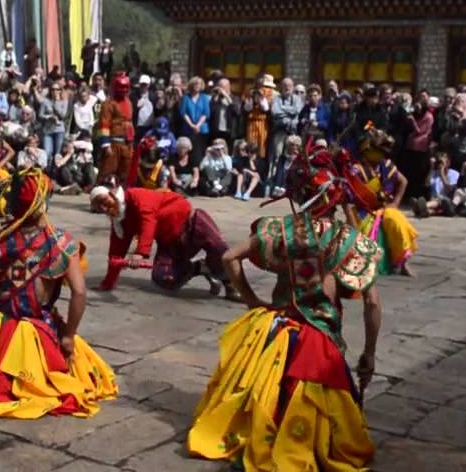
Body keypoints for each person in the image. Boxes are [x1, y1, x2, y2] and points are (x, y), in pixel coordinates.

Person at [188, 146, 380, 470]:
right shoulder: (351, 242)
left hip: (275, 331)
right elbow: (372, 303)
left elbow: (227, 257)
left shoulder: (279, 229)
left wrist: (252, 302)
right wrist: (369, 354)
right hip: (319, 338)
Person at [0, 170, 117, 418]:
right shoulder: (61, 242)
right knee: (64, 379)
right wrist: (69, 335)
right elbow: (79, 292)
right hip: (39, 329)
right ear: (43, 203)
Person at [89, 184, 237, 299]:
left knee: (220, 249)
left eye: (103, 201)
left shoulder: (135, 195)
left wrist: (141, 253)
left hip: (193, 223)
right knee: (163, 278)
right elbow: (116, 252)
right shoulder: (119, 223)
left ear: (111, 194)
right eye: (99, 208)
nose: (104, 208)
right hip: (170, 242)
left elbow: (149, 219)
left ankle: (232, 285)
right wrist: (108, 283)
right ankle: (201, 268)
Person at [351, 128, 420, 276]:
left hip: (385, 208)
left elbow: (403, 181)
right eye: (378, 151)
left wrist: (395, 202)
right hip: (365, 212)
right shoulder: (357, 170)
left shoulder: (387, 166)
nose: (381, 155)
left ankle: (403, 263)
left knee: (397, 219)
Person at [95, 72, 134, 184]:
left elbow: (130, 122)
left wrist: (131, 143)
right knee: (107, 172)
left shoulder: (128, 102)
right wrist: (106, 145)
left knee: (125, 173)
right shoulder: (108, 104)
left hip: (127, 144)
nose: (124, 90)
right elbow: (104, 125)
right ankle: (101, 196)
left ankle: (121, 196)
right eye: (121, 87)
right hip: (113, 144)